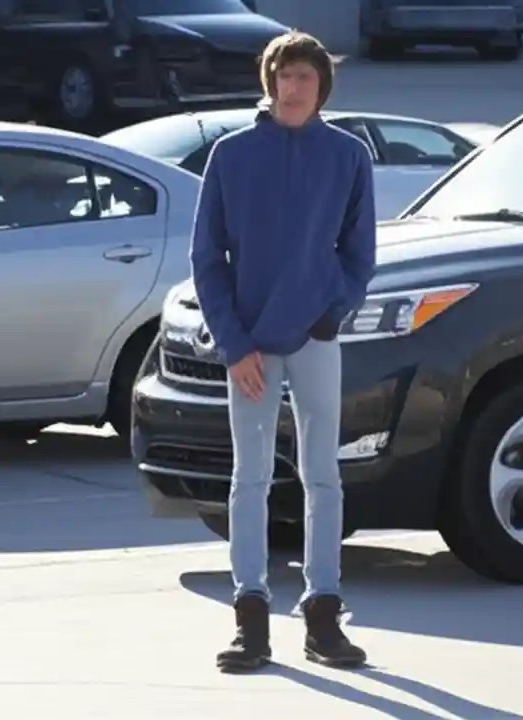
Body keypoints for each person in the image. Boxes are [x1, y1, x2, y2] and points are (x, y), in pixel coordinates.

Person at [189, 30, 377, 673]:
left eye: (305, 77)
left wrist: (332, 312)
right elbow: (207, 259)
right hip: (249, 346)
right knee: (249, 478)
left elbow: (359, 254)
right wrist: (234, 344)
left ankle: (323, 613)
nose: (293, 88)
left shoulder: (348, 155)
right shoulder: (231, 155)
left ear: (323, 88)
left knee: (322, 474)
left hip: (317, 337)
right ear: (269, 83)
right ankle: (251, 618)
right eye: (284, 76)